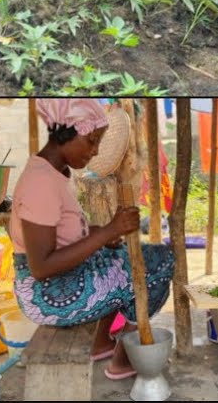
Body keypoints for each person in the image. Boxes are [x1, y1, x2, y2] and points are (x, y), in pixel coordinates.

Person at [10, 99, 175, 381]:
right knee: (156, 265)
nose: (95, 150)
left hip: (60, 279)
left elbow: (62, 235)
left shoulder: (55, 172)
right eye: (91, 141)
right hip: (48, 296)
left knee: (134, 256)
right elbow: (41, 266)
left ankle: (100, 345)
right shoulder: (40, 183)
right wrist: (106, 232)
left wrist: (102, 236)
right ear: (68, 134)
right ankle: (124, 359)